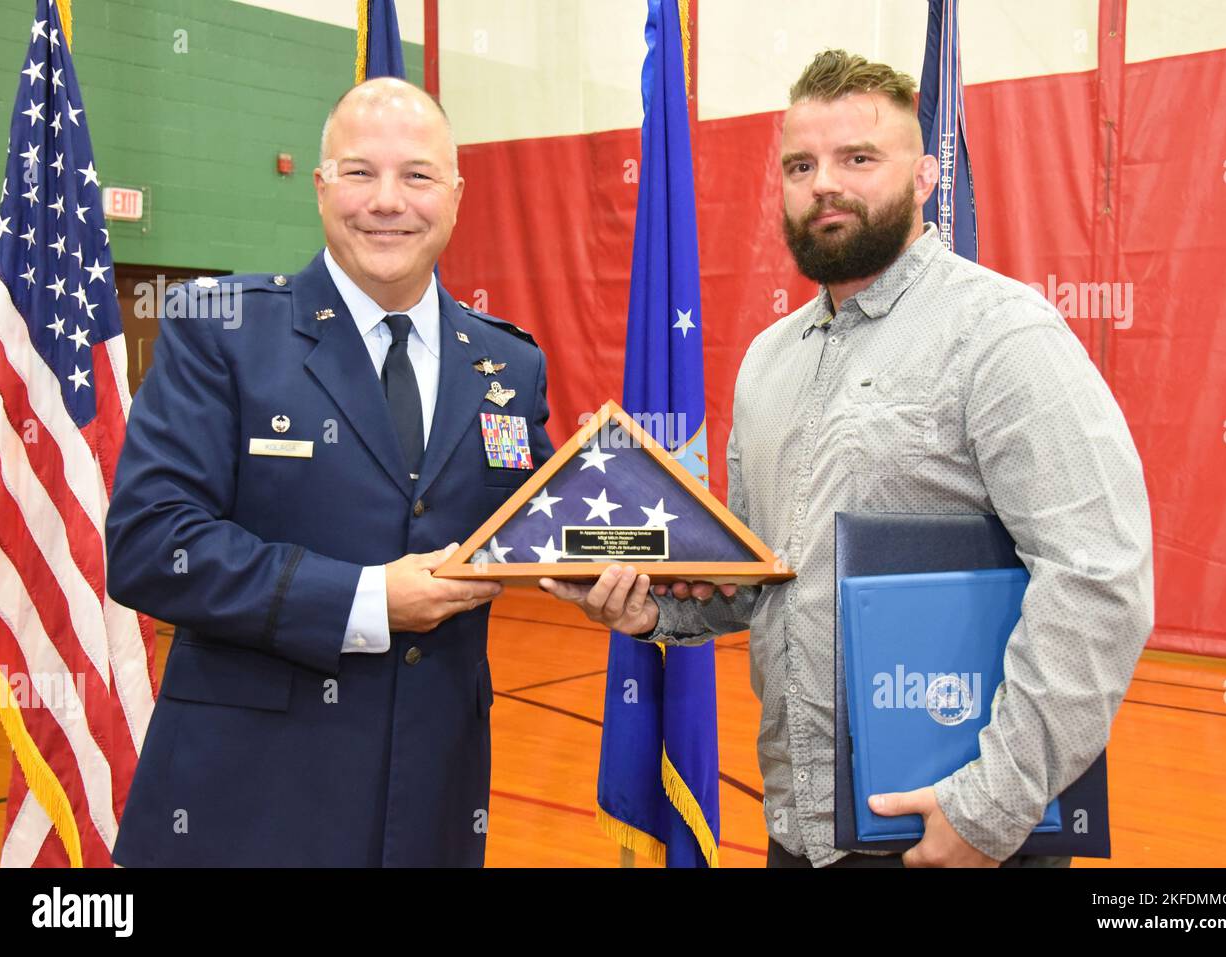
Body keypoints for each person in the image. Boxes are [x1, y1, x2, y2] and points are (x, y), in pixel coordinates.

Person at [542, 51, 1154, 868]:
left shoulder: (1002, 334)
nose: (824, 182)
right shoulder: (768, 360)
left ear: (926, 176)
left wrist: (992, 805)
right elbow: (762, 575)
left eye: (858, 158)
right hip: (799, 828)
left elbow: (1099, 576)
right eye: (801, 164)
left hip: (951, 829)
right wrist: (657, 611)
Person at [107, 78, 553, 866]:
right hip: (247, 803)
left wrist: (641, 573)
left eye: (417, 175)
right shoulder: (224, 333)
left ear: (454, 195)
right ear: (318, 188)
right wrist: (372, 598)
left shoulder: (508, 363)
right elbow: (151, 544)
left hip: (433, 803)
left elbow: (536, 526)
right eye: (358, 172)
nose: (388, 201)